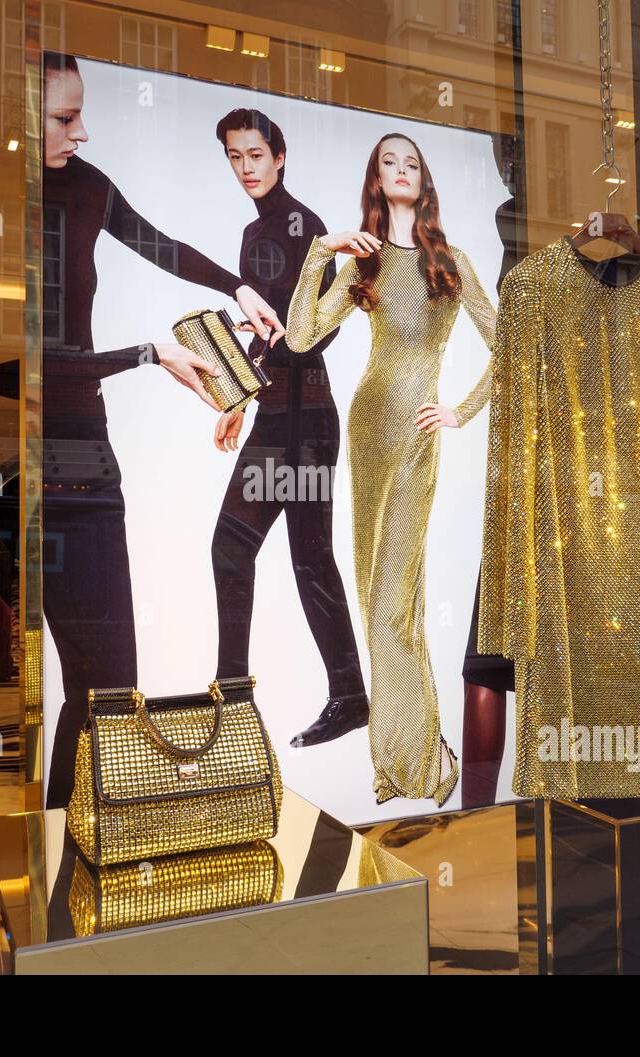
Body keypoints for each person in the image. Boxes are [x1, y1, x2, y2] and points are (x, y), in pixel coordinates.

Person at [40, 53, 283, 808]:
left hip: (92, 463)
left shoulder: (85, 189)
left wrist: (236, 286)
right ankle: (51, 863)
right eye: (63, 117)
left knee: (104, 695)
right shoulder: (3, 203)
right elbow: (33, 364)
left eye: (80, 114)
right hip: (30, 466)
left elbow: (157, 243)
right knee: (94, 693)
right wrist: (149, 354)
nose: (81, 131)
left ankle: (59, 864)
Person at [286, 133, 497, 806]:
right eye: (388, 161)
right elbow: (299, 336)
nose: (400, 169)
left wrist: (461, 410)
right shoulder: (366, 265)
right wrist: (321, 253)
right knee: (373, 590)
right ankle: (415, 751)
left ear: (423, 179)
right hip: (367, 428)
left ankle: (415, 759)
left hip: (413, 437)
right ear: (376, 180)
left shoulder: (451, 260)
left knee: (392, 608)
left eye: (411, 161)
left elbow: (514, 343)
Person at [208, 108, 368, 748]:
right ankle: (347, 696)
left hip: (304, 420)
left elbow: (315, 332)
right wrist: (236, 391)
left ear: (280, 157)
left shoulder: (311, 228)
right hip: (280, 412)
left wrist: (252, 374)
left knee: (259, 552)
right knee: (304, 561)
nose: (246, 167)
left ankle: (231, 704)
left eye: (255, 154)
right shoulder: (251, 235)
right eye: (234, 157)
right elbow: (269, 333)